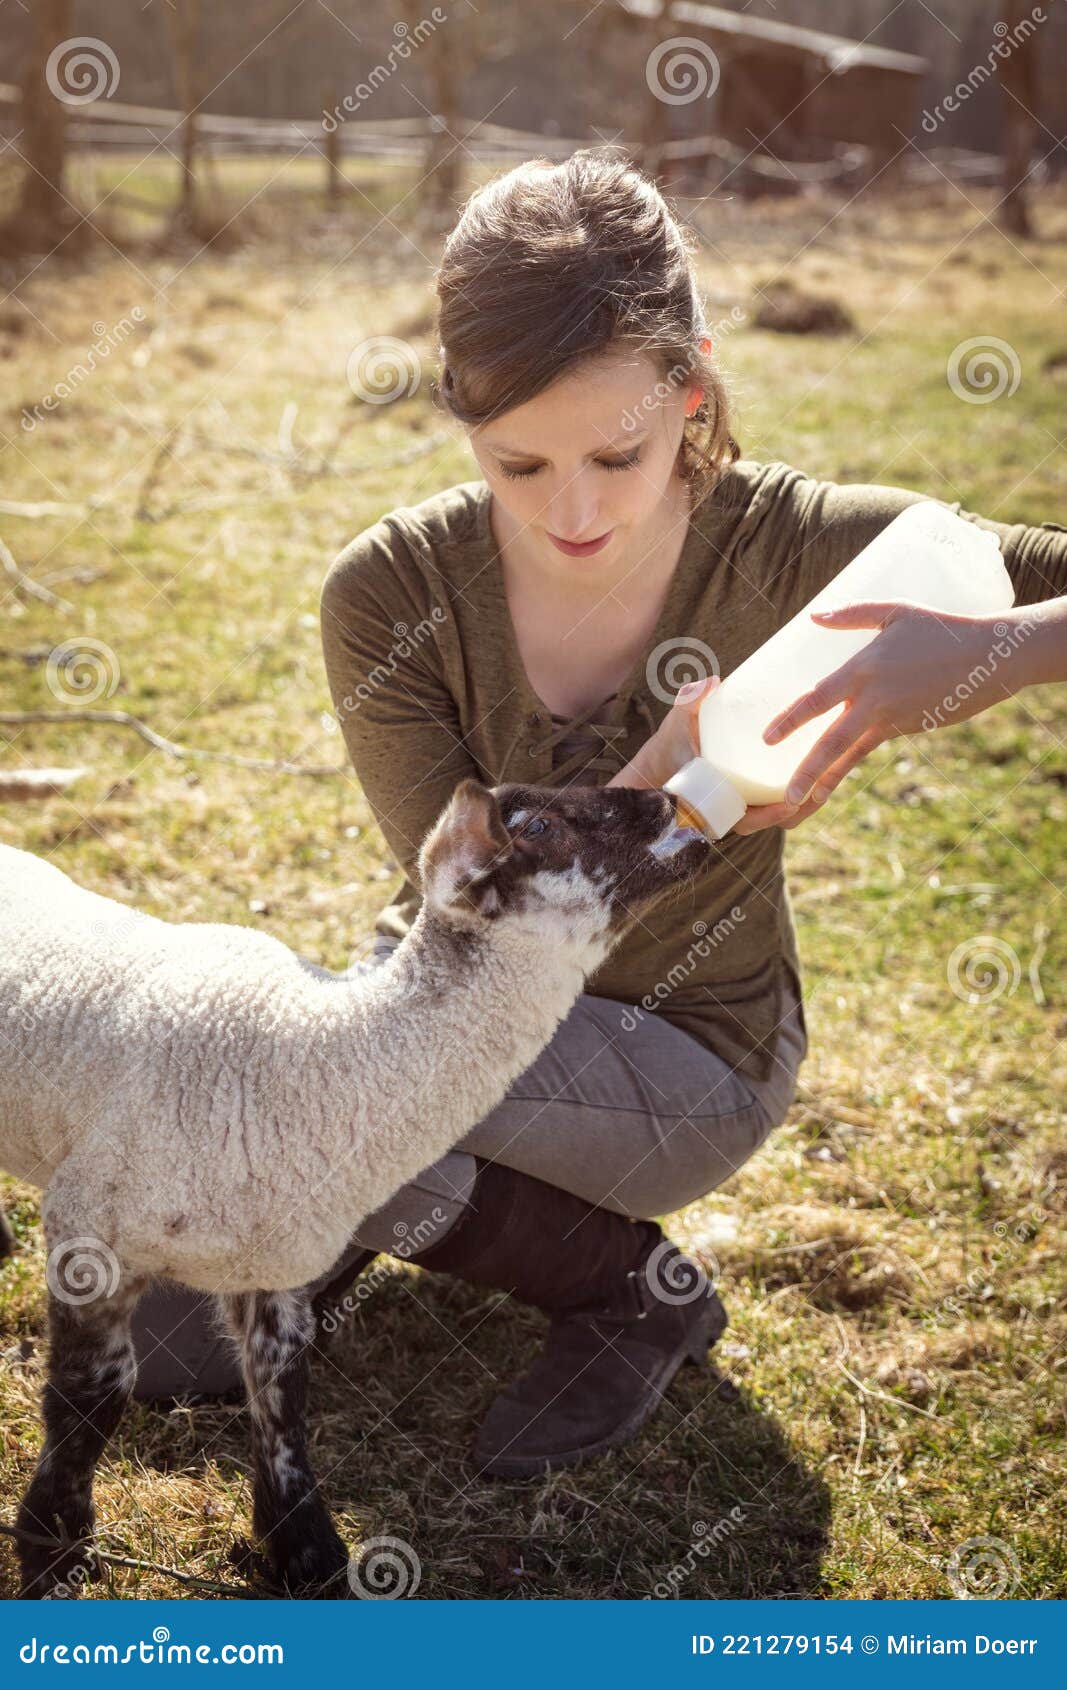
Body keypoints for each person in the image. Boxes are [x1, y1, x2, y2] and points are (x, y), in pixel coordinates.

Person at [126, 150, 1066, 1479]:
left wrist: (988, 650)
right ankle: (345, 1203)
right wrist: (664, 801)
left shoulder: (802, 545)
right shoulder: (389, 594)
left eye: (620, 454)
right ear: (461, 413)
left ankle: (632, 1290)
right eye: (518, 461)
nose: (575, 512)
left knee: (348, 1093)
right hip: (459, 997)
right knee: (280, 1126)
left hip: (690, 1051)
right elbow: (481, 916)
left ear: (691, 391)